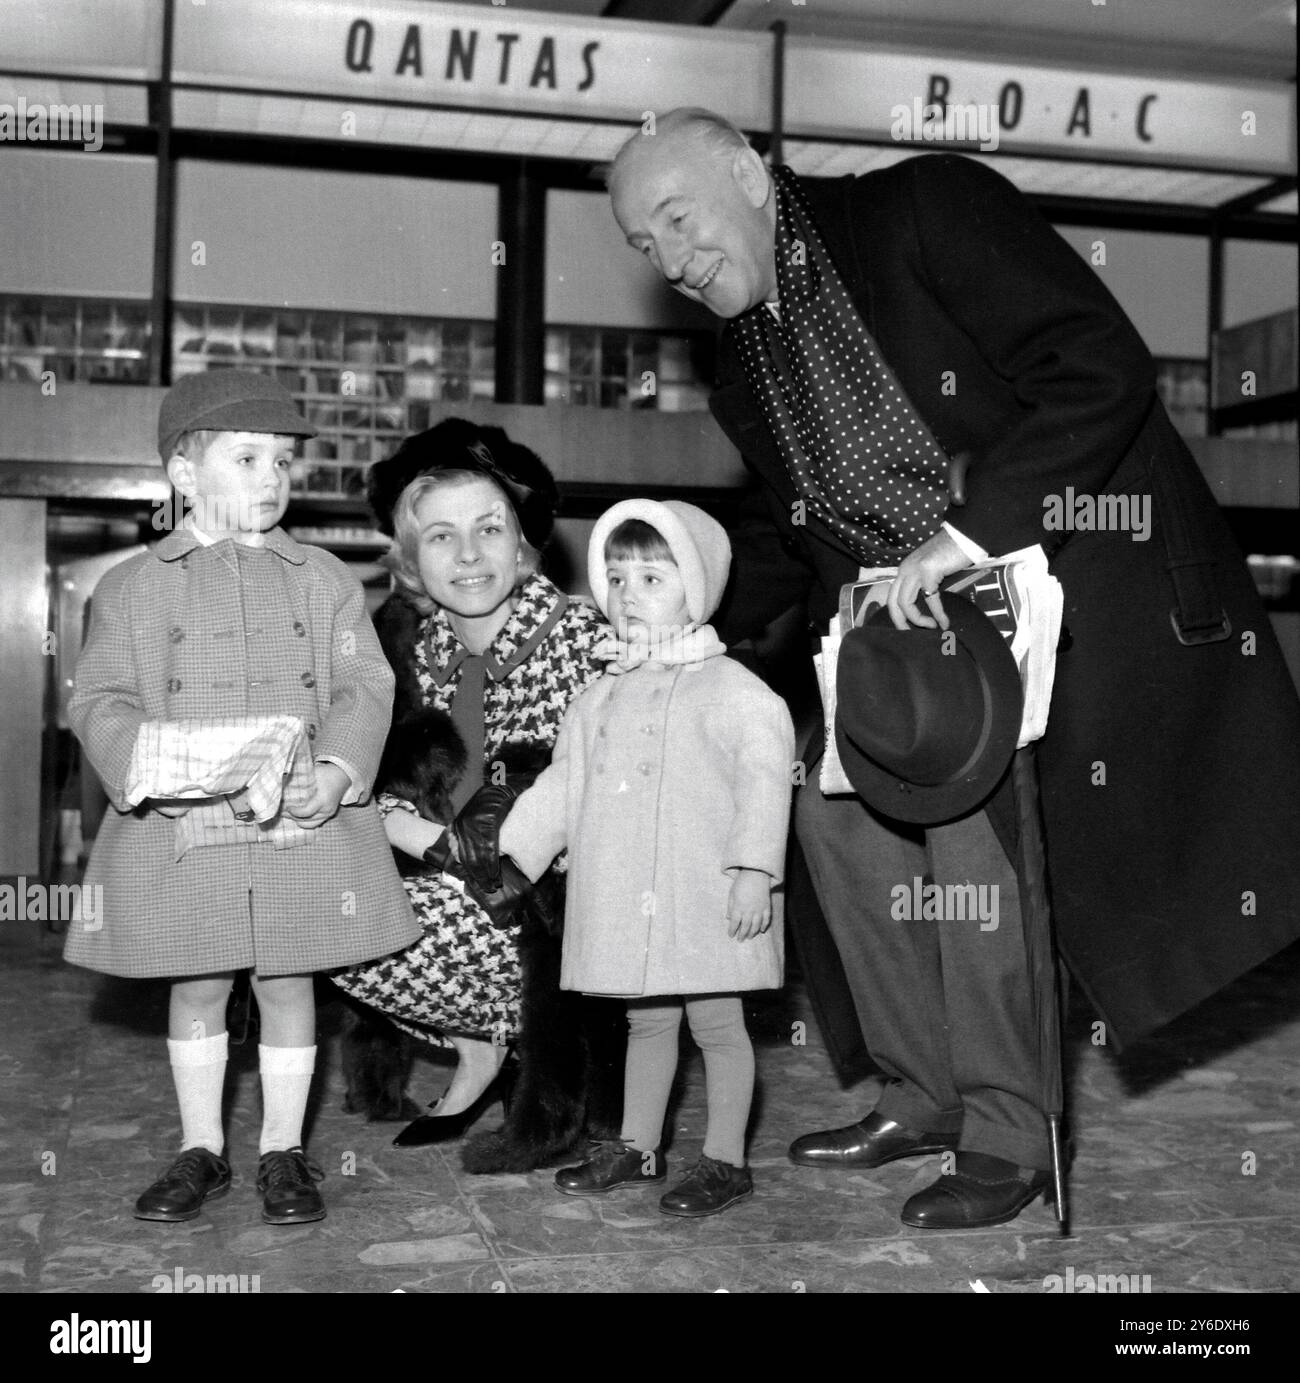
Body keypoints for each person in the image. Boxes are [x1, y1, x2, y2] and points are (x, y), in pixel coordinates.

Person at [607, 108, 1300, 1229]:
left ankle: (1006, 1134)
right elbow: (799, 539)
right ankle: (918, 1093)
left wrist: (972, 533)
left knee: (981, 860)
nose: (671, 261)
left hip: (1053, 580)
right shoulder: (740, 356)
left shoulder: (922, 208)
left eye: (677, 219)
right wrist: (684, 630)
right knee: (833, 816)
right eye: (645, 248)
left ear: (746, 171)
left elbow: (1097, 368)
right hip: (893, 633)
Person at [65, 370, 419, 1227]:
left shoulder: (322, 577)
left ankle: (283, 1149)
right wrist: (143, 756)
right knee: (197, 981)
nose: (272, 477)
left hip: (296, 817)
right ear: (184, 474)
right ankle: (202, 1147)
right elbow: (99, 697)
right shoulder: (134, 586)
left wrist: (334, 774)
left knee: (289, 980)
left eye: (284, 461)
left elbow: (365, 684)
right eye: (248, 457)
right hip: (188, 822)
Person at [496, 500, 796, 1217]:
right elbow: (565, 781)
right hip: (631, 892)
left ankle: (725, 1157)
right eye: (618, 578)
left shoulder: (739, 692)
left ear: (698, 592)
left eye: (653, 579)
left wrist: (755, 871)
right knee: (647, 1021)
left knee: (718, 1024)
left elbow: (765, 784)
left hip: (708, 891)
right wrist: (519, 851)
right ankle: (639, 1143)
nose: (629, 595)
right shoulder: (599, 695)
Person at [330, 424, 615, 1156]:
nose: (467, 555)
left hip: (565, 899)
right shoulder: (427, 646)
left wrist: (409, 830)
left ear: (523, 543)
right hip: (467, 878)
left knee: (364, 903)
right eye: (441, 538)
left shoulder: (582, 635)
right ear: (412, 564)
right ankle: (480, 1046)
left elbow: (568, 810)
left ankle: (535, 1053)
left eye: (490, 530)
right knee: (317, 904)